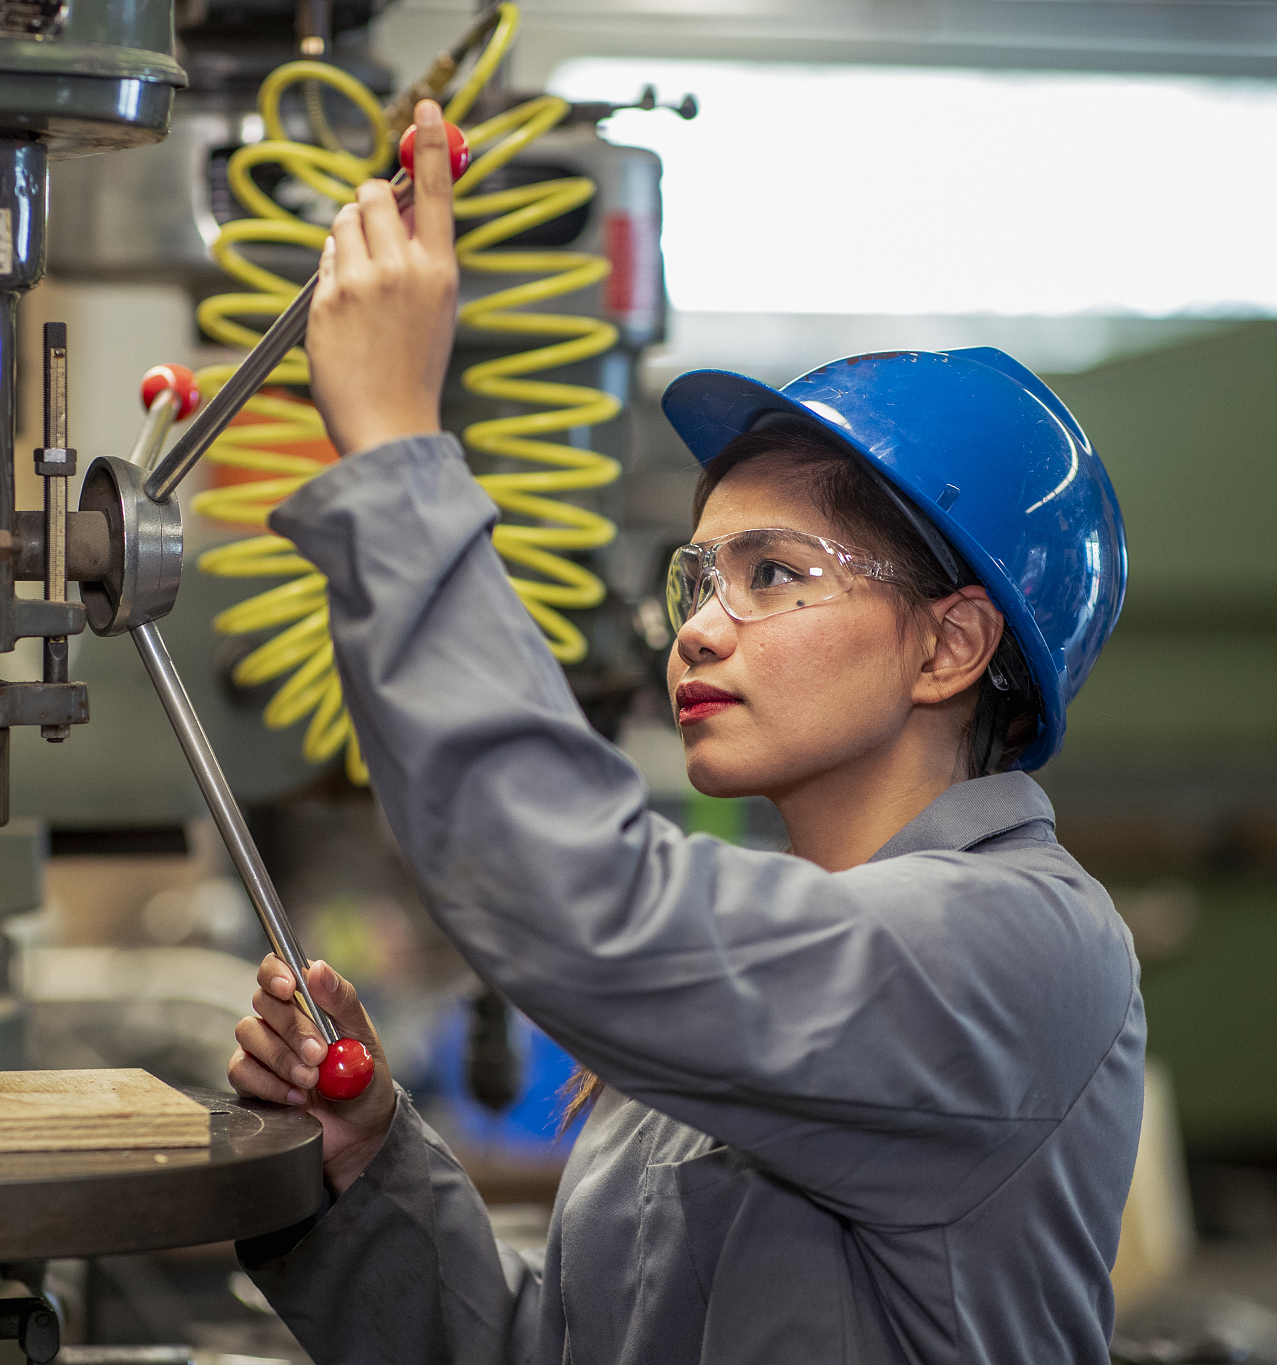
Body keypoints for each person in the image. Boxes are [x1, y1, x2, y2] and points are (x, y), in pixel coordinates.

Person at [225, 101, 1143, 1363]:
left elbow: (586, 907)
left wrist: (395, 446)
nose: (699, 631)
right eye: (698, 580)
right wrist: (369, 1165)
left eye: (772, 575)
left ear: (950, 646)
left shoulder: (1017, 948)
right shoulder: (764, 951)